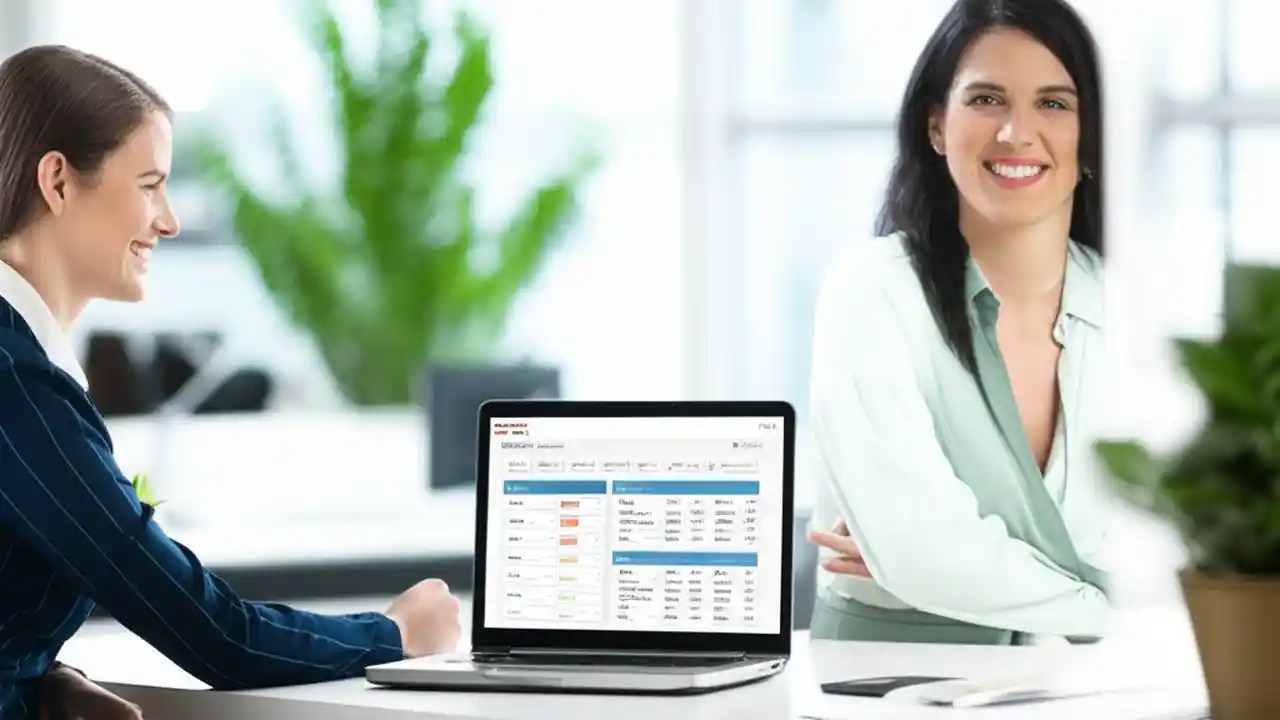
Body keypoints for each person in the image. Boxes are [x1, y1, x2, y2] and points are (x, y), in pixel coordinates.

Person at [0, 45, 461, 719]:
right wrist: (395, 635)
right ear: (59, 182)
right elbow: (215, 636)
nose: (169, 220)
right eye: (149, 184)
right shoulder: (17, 381)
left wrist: (39, 675)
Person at [804, 0, 1110, 645]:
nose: (1016, 133)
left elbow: (1164, 551)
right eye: (987, 100)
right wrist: (1110, 608)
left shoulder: (1129, 304)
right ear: (937, 126)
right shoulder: (873, 288)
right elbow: (921, 551)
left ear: (1091, 139)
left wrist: (950, 560)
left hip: (1090, 682)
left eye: (1054, 104)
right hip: (889, 673)